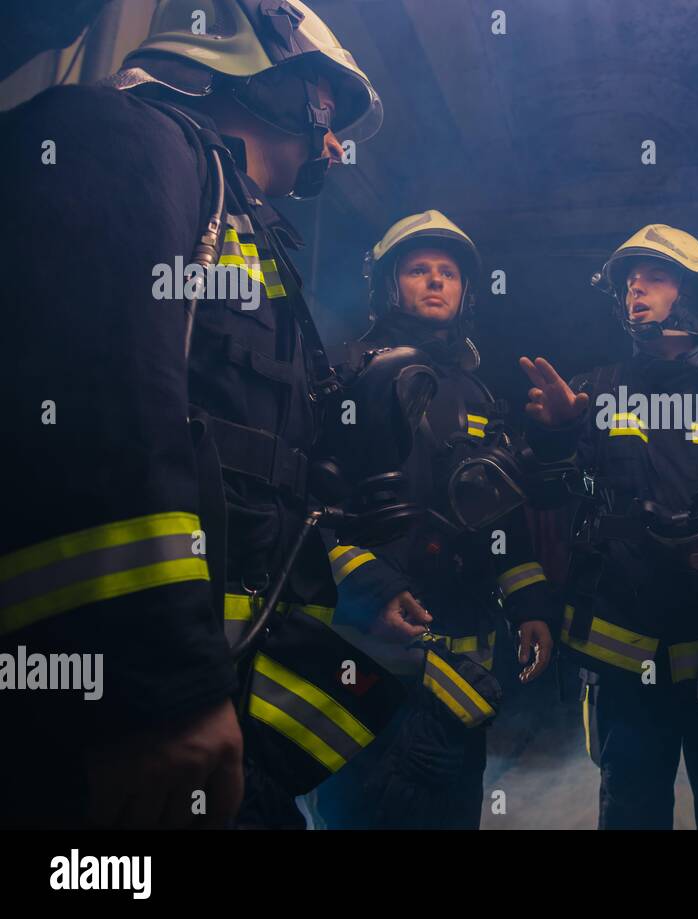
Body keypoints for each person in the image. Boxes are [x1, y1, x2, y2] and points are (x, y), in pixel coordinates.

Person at [0, 0, 387, 828]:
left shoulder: (227, 204)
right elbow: (93, 405)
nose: (331, 143)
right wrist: (156, 690)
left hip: (216, 689)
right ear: (269, 64)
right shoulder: (124, 138)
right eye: (327, 107)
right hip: (127, 719)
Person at [520, 223, 698, 829]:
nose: (634, 291)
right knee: (631, 814)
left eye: (655, 276)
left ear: (695, 291)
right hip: (622, 660)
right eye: (627, 283)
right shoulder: (591, 392)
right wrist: (555, 434)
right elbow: (545, 494)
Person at [317, 210, 556, 829]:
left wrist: (529, 603)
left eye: (447, 273)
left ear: (464, 290)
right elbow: (304, 502)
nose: (433, 282)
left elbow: (499, 512)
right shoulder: (346, 374)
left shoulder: (478, 396)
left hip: (463, 664)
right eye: (417, 270)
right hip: (368, 658)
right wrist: (367, 586)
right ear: (388, 286)